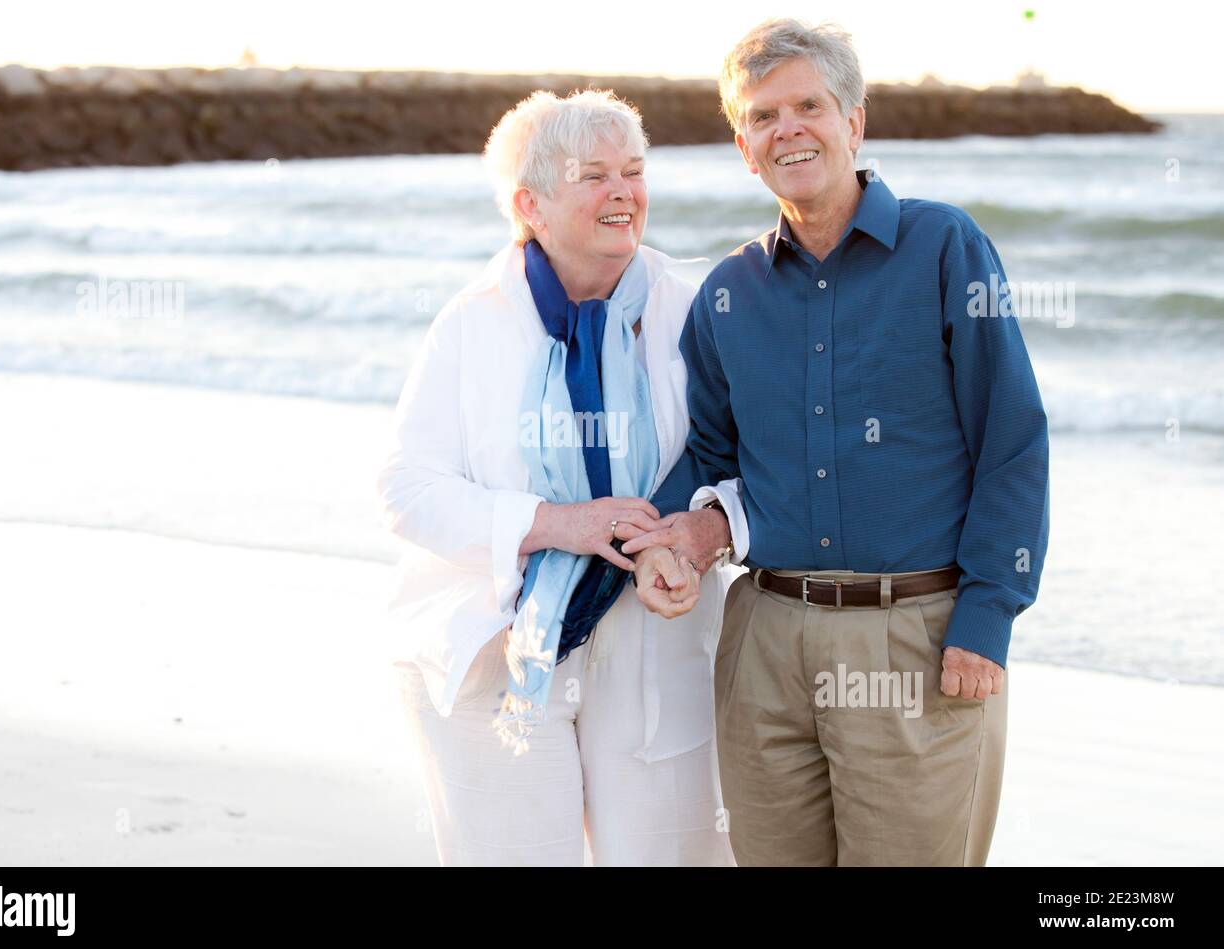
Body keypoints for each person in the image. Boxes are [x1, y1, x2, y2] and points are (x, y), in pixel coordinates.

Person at [624, 17, 1050, 866]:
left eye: (807, 106)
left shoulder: (945, 247)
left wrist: (989, 614)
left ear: (853, 122)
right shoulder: (727, 294)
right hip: (765, 640)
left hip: (917, 641)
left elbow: (1013, 436)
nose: (788, 129)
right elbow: (715, 464)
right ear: (745, 148)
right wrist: (662, 538)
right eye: (762, 116)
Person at [376, 88, 738, 866]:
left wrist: (694, 538)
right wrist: (558, 523)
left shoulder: (696, 306)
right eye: (594, 175)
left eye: (634, 172)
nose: (623, 193)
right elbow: (405, 487)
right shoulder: (473, 321)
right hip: (499, 647)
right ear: (530, 204)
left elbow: (742, 455)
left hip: (656, 641)